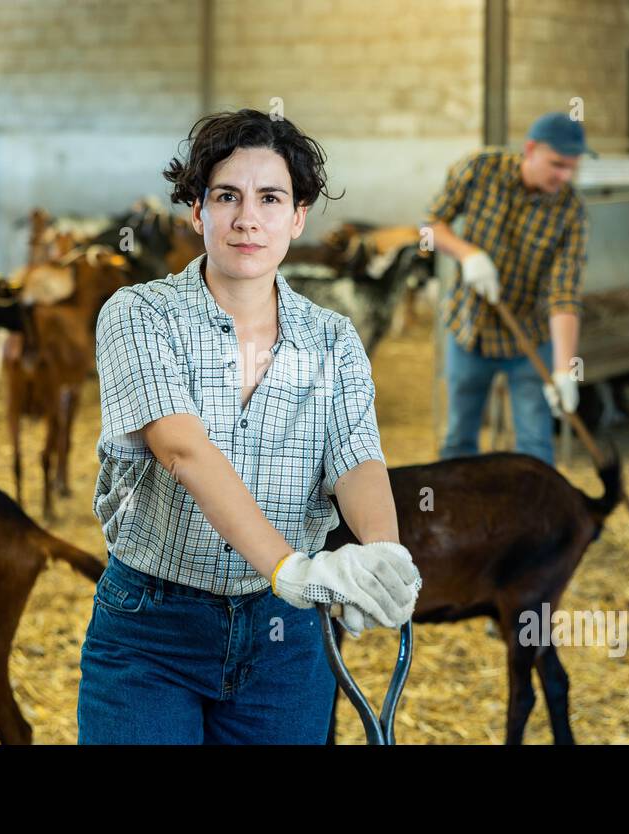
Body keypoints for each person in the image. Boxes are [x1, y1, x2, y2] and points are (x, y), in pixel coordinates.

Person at [77, 109, 422, 744]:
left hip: (285, 639)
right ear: (196, 211)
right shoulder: (139, 316)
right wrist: (288, 567)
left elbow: (356, 456)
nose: (247, 218)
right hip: (152, 629)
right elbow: (182, 450)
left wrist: (380, 554)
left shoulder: (333, 338)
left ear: (297, 216)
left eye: (271, 198)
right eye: (226, 196)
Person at [426, 112, 590, 466]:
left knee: (535, 446)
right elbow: (431, 226)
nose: (564, 176)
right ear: (530, 150)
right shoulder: (479, 169)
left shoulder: (571, 211)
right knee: (458, 440)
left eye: (571, 167)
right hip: (471, 330)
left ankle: (536, 518)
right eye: (557, 164)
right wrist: (468, 255)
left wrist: (564, 370)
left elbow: (564, 293)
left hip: (528, 339)